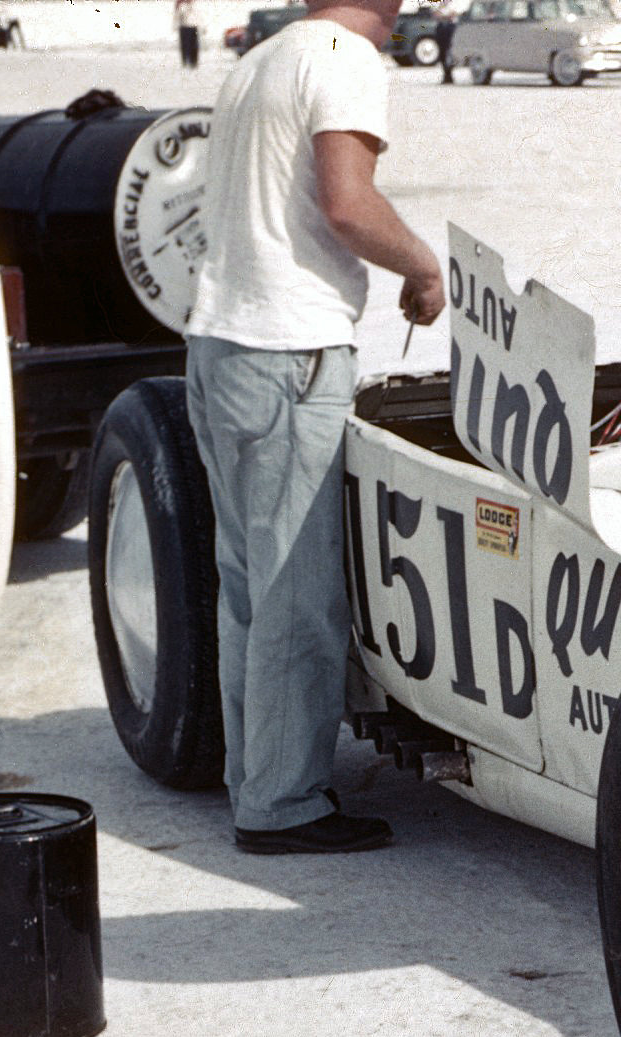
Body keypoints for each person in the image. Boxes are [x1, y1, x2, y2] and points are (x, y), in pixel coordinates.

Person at [189, 0, 447, 853]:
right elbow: (346, 202)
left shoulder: (261, 58)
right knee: (299, 592)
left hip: (221, 343)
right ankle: (284, 804)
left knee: (249, 588)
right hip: (288, 351)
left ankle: (253, 778)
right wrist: (420, 264)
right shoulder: (344, 57)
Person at [434, 0, 462, 82]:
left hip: (451, 28)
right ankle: (446, 74)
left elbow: (453, 14)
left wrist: (443, 15)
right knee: (442, 52)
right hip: (441, 27)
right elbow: (436, 14)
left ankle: (450, 73)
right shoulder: (439, 5)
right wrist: (444, 14)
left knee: (450, 52)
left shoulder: (455, 4)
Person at [176, 0, 201, 68]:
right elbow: (177, 15)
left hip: (193, 26)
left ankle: (193, 62)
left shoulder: (195, 5)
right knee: (185, 45)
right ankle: (185, 61)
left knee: (193, 45)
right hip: (184, 26)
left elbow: (198, 16)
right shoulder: (181, 5)